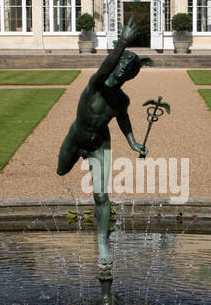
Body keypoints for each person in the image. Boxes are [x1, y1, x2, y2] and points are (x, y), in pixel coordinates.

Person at [56, 19, 153, 266]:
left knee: (101, 195)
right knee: (61, 171)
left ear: (131, 76)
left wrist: (132, 142)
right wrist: (122, 42)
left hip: (99, 143)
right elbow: (105, 67)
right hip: (75, 138)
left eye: (128, 70)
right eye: (121, 65)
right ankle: (103, 231)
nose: (122, 71)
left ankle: (102, 242)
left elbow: (123, 118)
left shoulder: (122, 100)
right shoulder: (96, 85)